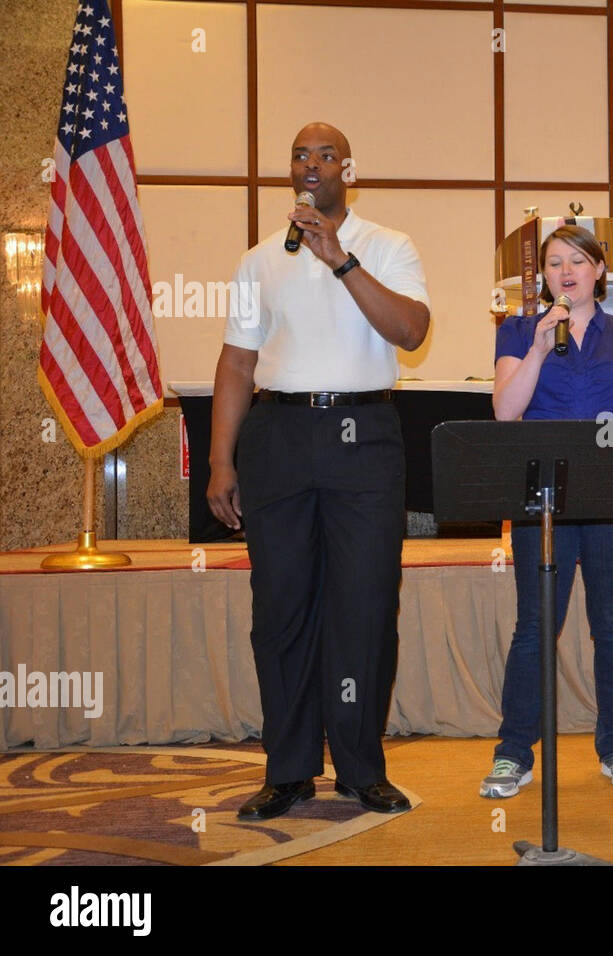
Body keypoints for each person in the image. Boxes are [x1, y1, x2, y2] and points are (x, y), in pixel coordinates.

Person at [207, 122, 430, 818]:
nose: (310, 164)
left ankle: (361, 769)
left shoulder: (389, 246)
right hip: (278, 435)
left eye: (324, 155)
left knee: (363, 606)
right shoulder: (258, 260)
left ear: (348, 169)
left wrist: (342, 260)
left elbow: (411, 331)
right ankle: (290, 768)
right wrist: (221, 460)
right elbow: (238, 362)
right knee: (281, 608)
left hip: (363, 433)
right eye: (299, 155)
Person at [480, 224, 613, 798]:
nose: (564, 272)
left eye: (576, 261)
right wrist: (539, 349)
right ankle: (515, 752)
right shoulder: (518, 330)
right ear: (544, 278)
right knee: (535, 628)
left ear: (598, 272)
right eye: (553, 264)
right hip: (542, 500)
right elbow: (505, 413)